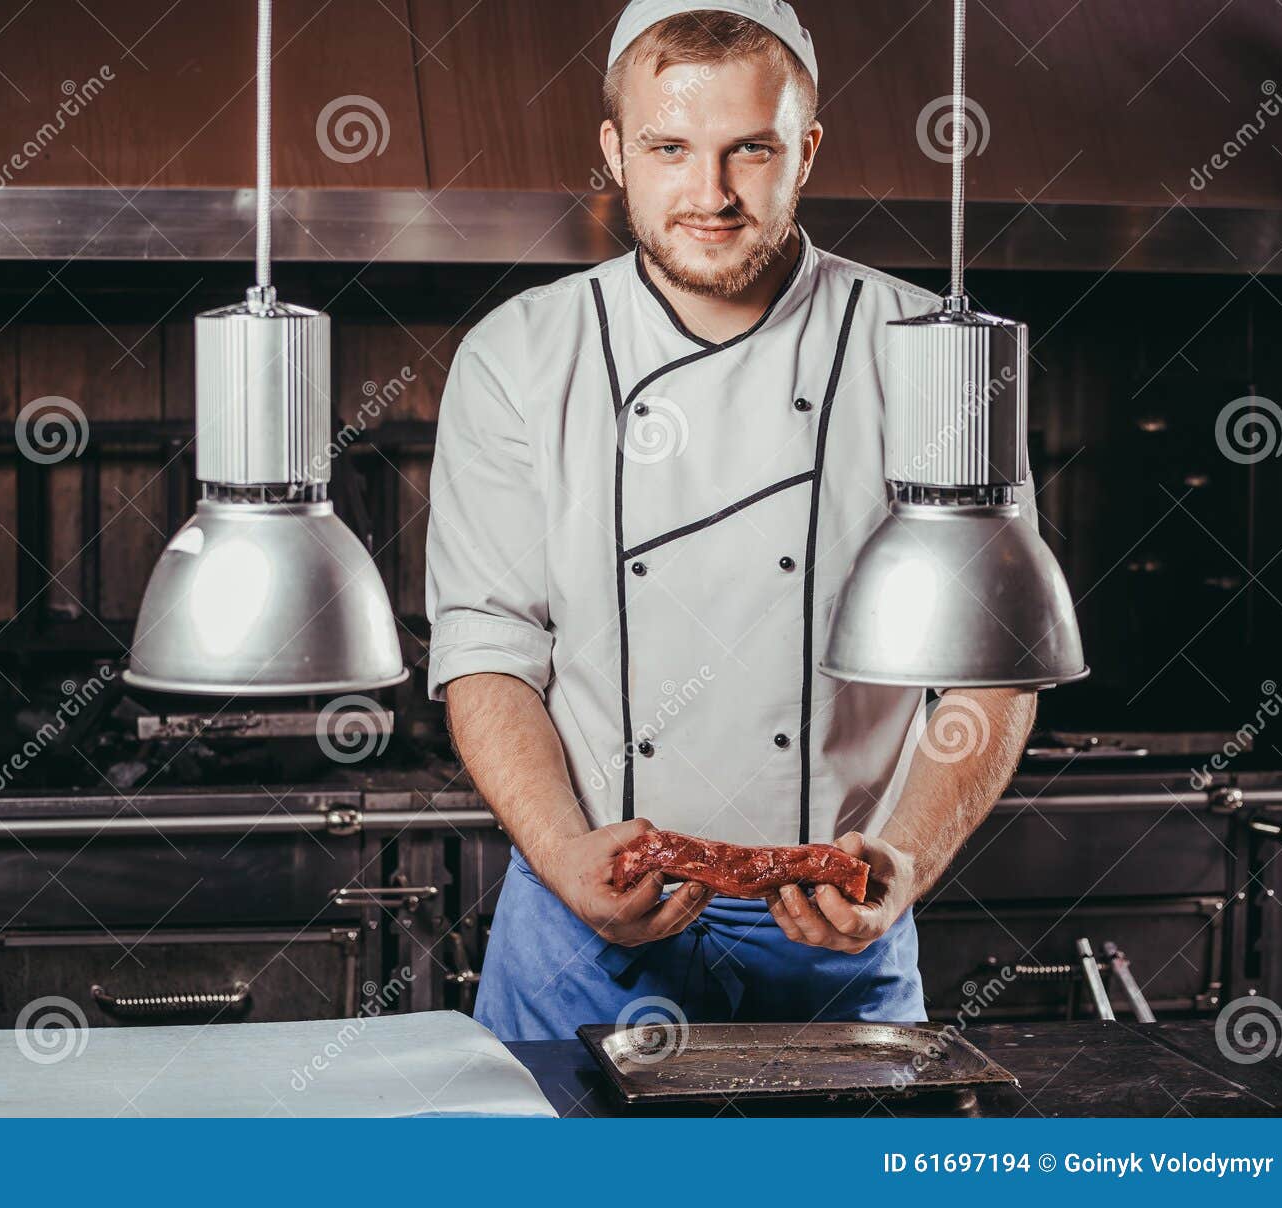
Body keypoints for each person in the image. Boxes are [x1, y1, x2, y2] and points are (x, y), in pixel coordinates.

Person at [424, 0, 1037, 1041]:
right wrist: (568, 853)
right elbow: (488, 647)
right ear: (616, 151)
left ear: (805, 149)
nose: (708, 194)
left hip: (835, 925)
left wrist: (910, 858)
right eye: (668, 147)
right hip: (581, 926)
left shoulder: (934, 355)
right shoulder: (517, 355)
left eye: (748, 148)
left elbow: (993, 659)